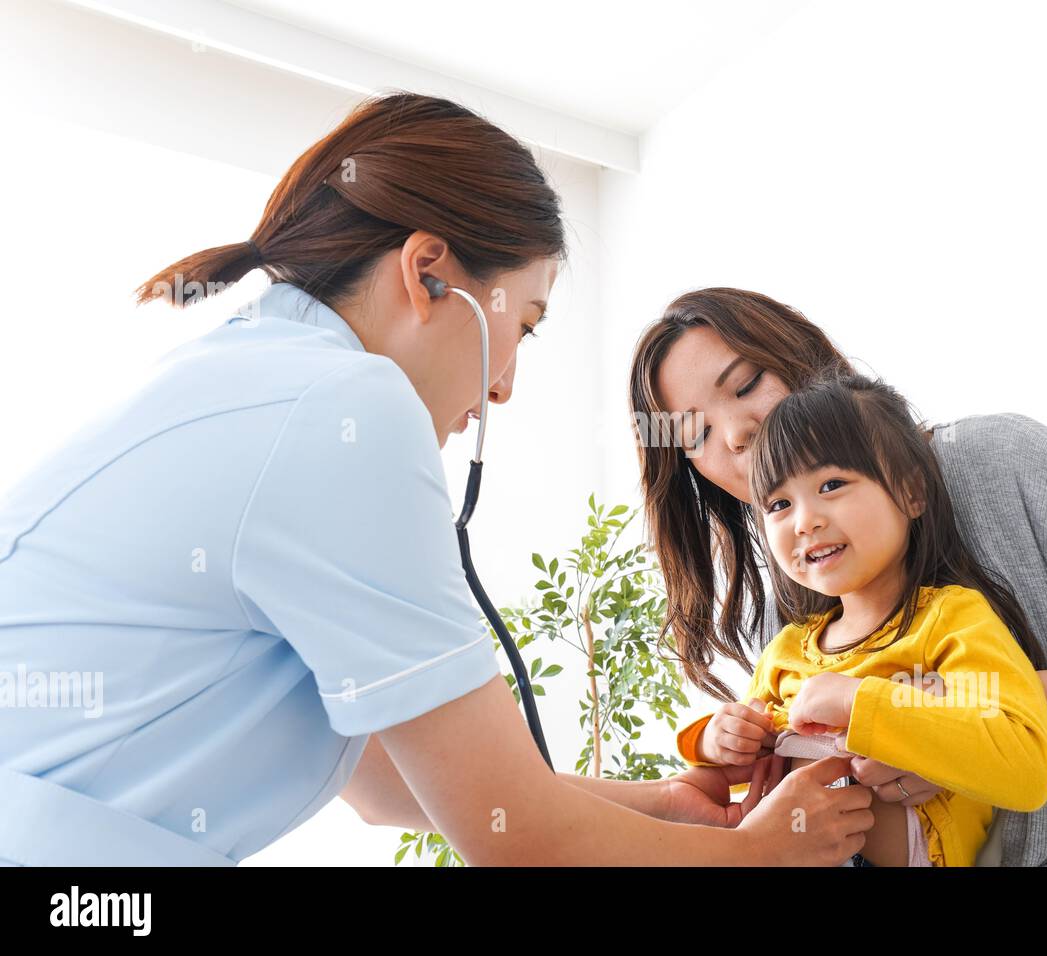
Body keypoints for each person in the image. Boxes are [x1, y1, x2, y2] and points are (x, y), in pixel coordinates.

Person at [0, 93, 874, 867]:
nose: (503, 388)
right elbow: (517, 838)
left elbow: (385, 784)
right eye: (523, 326)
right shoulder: (343, 406)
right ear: (428, 276)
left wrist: (669, 809)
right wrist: (762, 857)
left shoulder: (250, 378)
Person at [630, 287, 1047, 865]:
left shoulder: (998, 463)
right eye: (697, 436)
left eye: (746, 385)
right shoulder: (787, 604)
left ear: (806, 361)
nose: (738, 435)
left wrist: (928, 716)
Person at [679, 372, 1047, 866]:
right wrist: (715, 738)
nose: (804, 521)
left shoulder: (952, 621)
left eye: (832, 484)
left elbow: (1027, 768)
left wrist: (863, 702)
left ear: (910, 493)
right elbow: (745, 747)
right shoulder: (788, 649)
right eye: (779, 504)